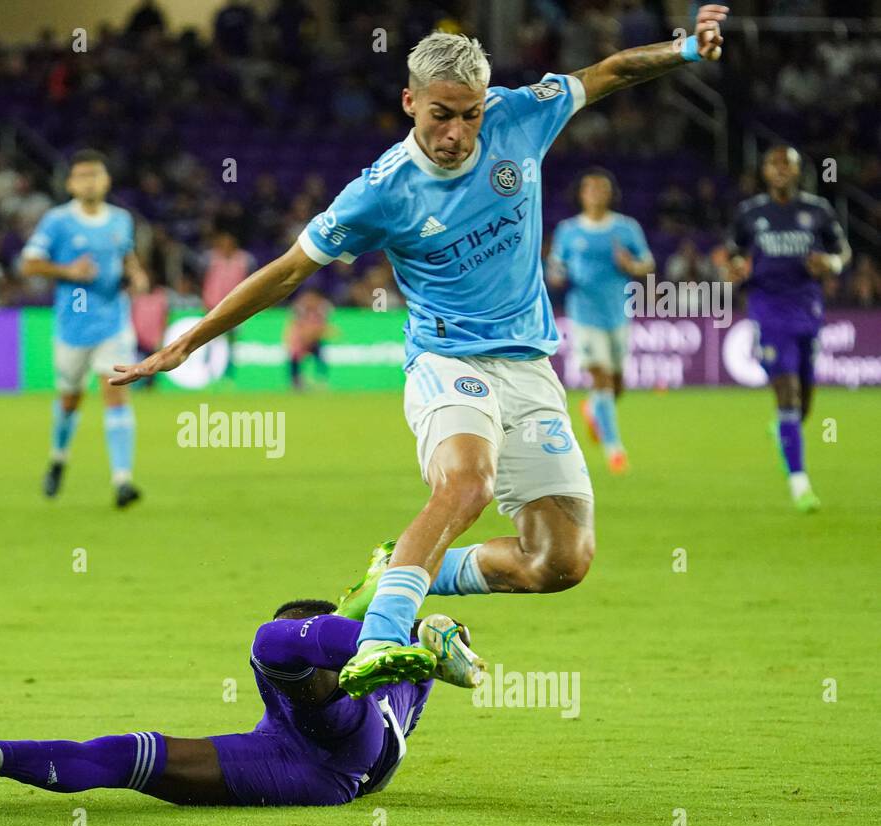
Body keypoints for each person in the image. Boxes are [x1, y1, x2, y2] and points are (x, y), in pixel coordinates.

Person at [113, 9, 728, 697]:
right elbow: (289, 269)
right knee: (467, 484)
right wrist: (186, 340)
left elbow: (608, 72)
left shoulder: (519, 117)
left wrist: (686, 48)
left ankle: (401, 568)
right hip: (447, 361)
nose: (457, 133)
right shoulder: (380, 192)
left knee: (561, 560)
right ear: (410, 101)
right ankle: (380, 636)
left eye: (469, 116)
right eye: (441, 114)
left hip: (527, 365)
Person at [0, 599, 484, 807]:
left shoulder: (283, 656)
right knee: (128, 758)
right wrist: (441, 635)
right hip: (327, 761)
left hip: (322, 752)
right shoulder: (411, 672)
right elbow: (438, 620)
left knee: (273, 643)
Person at [717, 145, 850, 513]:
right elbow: (732, 252)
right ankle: (800, 484)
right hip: (767, 308)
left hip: (808, 308)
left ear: (797, 171)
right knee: (787, 391)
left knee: (804, 400)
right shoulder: (751, 213)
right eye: (774, 164)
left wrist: (833, 264)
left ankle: (783, 432)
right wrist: (735, 265)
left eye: (787, 164)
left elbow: (843, 251)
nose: (780, 170)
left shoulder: (817, 211)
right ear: (764, 171)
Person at [19, 150, 150, 508]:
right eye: (82, 175)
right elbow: (29, 264)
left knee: (115, 392)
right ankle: (59, 458)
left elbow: (127, 255)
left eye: (96, 174)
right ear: (70, 184)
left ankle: (122, 480)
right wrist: (67, 272)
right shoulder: (57, 221)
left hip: (113, 322)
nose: (89, 181)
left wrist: (136, 274)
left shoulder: (121, 220)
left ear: (106, 180)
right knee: (70, 399)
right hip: (72, 326)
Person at [546, 168, 653, 473]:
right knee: (602, 378)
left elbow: (648, 264)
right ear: (581, 194)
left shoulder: (626, 227)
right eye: (589, 188)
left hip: (618, 312)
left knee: (618, 385)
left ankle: (593, 408)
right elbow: (555, 267)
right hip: (584, 314)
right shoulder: (569, 230)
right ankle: (614, 449)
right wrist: (557, 275)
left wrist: (631, 265)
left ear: (610, 194)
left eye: (601, 189)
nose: (595, 193)